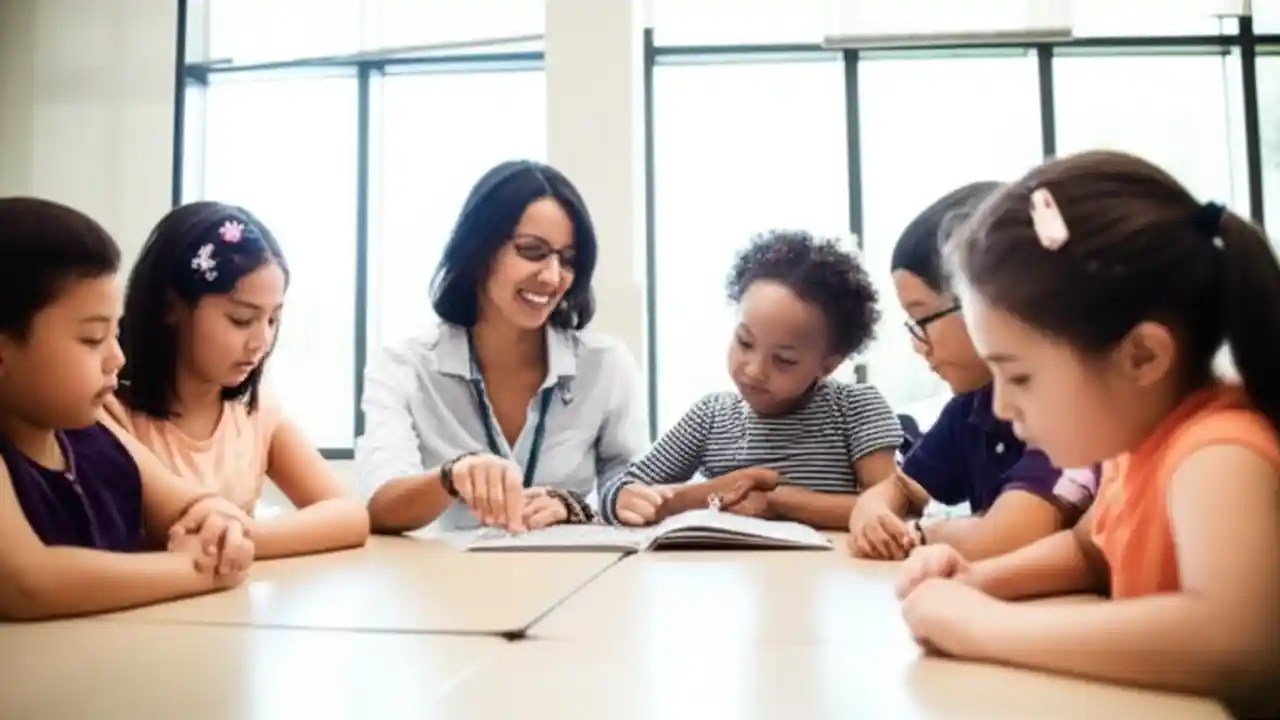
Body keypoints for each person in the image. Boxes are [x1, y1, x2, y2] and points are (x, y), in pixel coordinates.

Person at [896, 150, 1280, 716]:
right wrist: (979, 579)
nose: (1003, 404)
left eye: (1020, 375)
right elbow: (1089, 550)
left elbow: (1238, 642)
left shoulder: (1216, 453)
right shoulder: (1140, 448)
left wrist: (987, 629)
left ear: (1142, 356)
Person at [0, 197, 255, 620]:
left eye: (115, 333)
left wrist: (219, 529)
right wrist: (197, 569)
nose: (116, 357)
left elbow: (191, 505)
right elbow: (27, 582)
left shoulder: (95, 431)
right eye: (92, 338)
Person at [358, 160, 646, 533]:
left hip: (574, 583)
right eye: (532, 251)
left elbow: (634, 489)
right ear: (479, 250)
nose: (553, 276)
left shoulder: (606, 366)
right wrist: (452, 475)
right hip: (443, 584)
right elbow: (380, 506)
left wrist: (575, 505)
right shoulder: (404, 367)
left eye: (569, 260)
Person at [848, 183, 1096, 561]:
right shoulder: (973, 405)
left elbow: (1010, 535)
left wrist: (922, 533)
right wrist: (874, 512)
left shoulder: (1078, 407)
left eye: (920, 318)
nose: (917, 342)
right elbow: (904, 486)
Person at [110, 202, 369, 559]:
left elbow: (350, 515)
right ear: (170, 306)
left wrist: (244, 539)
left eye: (273, 320)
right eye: (241, 319)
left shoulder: (255, 413)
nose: (261, 341)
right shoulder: (111, 412)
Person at [604, 230, 902, 530]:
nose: (755, 370)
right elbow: (623, 490)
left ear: (827, 365)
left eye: (784, 360)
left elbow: (893, 503)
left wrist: (777, 501)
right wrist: (711, 490)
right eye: (745, 342)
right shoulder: (711, 417)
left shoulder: (855, 410)